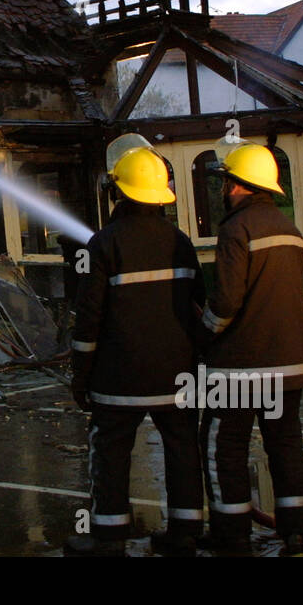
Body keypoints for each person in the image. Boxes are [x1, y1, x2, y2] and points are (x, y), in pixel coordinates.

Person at [66, 134, 207, 557]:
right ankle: (185, 533)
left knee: (110, 450)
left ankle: (109, 536)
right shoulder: (180, 242)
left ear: (117, 191)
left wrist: (80, 373)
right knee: (183, 449)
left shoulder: (103, 244)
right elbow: (199, 305)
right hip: (178, 375)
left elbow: (88, 317)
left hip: (118, 376)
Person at [198, 143, 303, 555]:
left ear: (237, 186)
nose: (223, 189)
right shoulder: (292, 230)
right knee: (285, 445)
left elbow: (228, 302)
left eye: (226, 181)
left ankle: (232, 535)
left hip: (240, 368)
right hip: (291, 363)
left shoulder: (236, 229)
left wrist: (203, 333)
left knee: (223, 447)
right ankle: (297, 530)